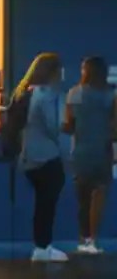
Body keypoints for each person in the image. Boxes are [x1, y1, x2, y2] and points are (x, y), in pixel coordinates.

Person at [14, 52, 69, 263]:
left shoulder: (24, 93)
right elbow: (53, 127)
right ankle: (43, 246)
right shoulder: (45, 95)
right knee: (47, 205)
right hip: (47, 157)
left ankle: (41, 245)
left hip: (29, 157)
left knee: (41, 204)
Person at [64, 57, 116, 256]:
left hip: (80, 151)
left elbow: (69, 125)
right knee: (99, 195)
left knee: (82, 198)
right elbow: (115, 128)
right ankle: (93, 240)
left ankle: (82, 239)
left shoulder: (74, 93)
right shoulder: (111, 96)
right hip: (102, 151)